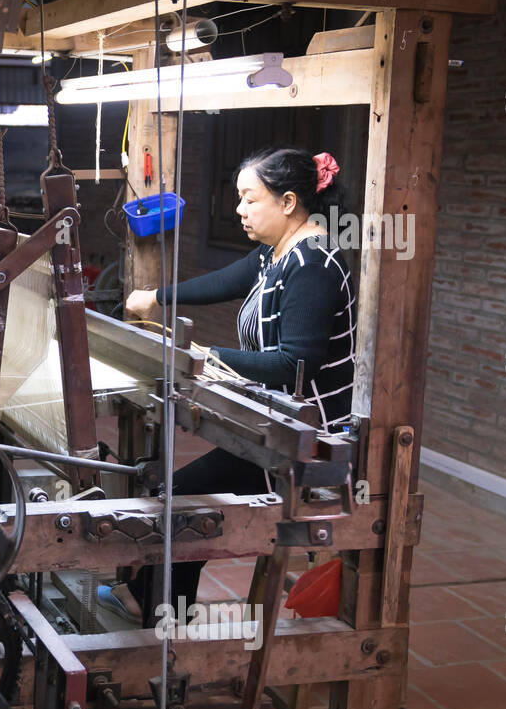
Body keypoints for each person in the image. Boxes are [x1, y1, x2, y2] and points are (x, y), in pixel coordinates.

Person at [120, 145, 357, 627]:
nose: (239, 210)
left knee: (182, 506)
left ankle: (165, 631)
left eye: (250, 199)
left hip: (309, 450)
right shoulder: (279, 252)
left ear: (288, 202)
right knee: (173, 494)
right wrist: (156, 298)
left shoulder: (312, 266)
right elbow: (225, 281)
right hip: (277, 429)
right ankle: (146, 602)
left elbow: (295, 364)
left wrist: (208, 359)